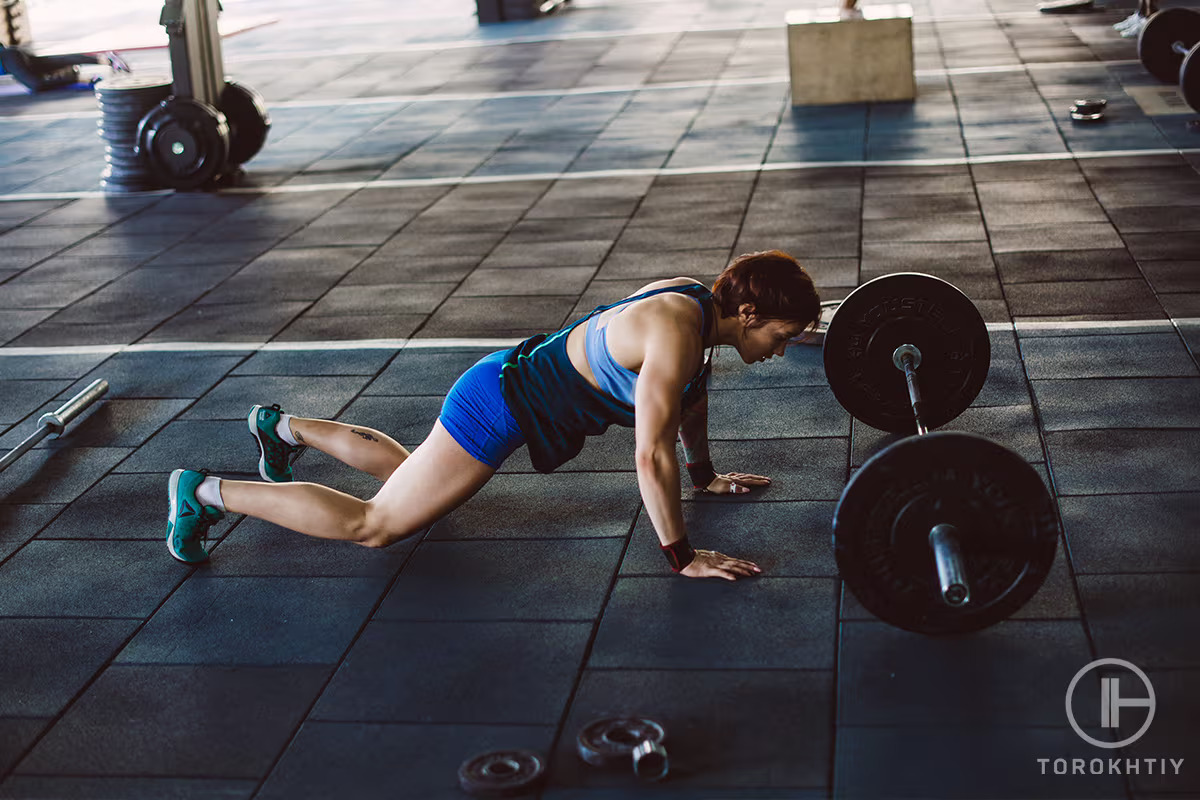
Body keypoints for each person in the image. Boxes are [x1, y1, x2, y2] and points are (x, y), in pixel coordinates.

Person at [165, 250, 822, 582]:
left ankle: (282, 429)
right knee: (378, 524)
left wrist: (703, 477)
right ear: (750, 316)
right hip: (495, 407)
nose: (782, 349)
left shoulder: (692, 307)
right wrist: (680, 557)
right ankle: (204, 493)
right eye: (784, 335)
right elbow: (649, 454)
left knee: (407, 472)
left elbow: (689, 404)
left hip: (497, 380)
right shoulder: (679, 333)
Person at [0, 44, 128, 92]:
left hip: (7, 58)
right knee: (50, 64)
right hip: (10, 55)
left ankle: (80, 78)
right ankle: (104, 59)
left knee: (35, 84)